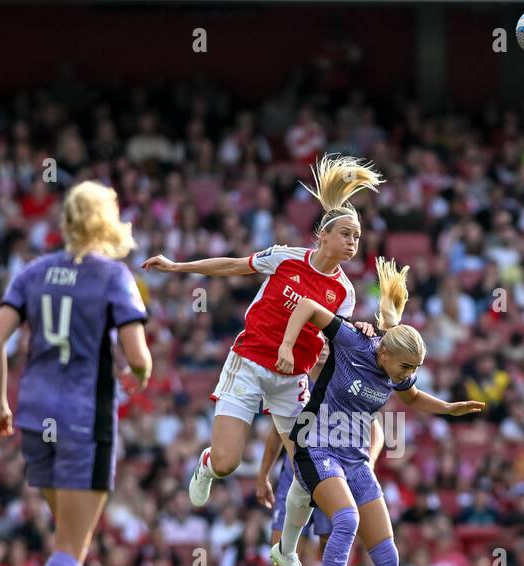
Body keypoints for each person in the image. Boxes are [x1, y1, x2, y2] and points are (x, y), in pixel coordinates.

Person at [270, 257, 485, 566]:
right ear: (384, 353)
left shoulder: (396, 369)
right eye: (406, 368)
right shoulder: (353, 340)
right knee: (345, 519)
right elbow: (310, 308)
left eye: (415, 370)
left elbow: (412, 397)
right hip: (315, 444)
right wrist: (285, 345)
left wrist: (448, 408)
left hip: (352, 456)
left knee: (387, 555)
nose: (409, 376)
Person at [0, 181, 153, 566]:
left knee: (68, 541)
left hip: (35, 417)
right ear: (107, 220)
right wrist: (140, 376)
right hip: (84, 418)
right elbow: (138, 355)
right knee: (72, 546)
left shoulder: (33, 272)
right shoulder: (110, 275)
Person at [140, 154, 382, 507]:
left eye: (357, 237)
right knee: (227, 464)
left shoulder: (345, 292)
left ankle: (286, 553)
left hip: (292, 378)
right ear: (322, 236)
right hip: (251, 362)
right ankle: (206, 465)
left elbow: (334, 339)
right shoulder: (285, 258)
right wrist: (177, 266)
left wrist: (359, 332)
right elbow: (232, 266)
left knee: (309, 474)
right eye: (345, 234)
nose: (352, 242)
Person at [252, 408, 384, 566]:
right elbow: (276, 432)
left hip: (331, 475)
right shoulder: (297, 382)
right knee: (281, 558)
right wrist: (263, 476)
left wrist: (369, 462)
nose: (321, 362)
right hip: (293, 477)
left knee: (332, 560)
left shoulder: (342, 376)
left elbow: (375, 427)